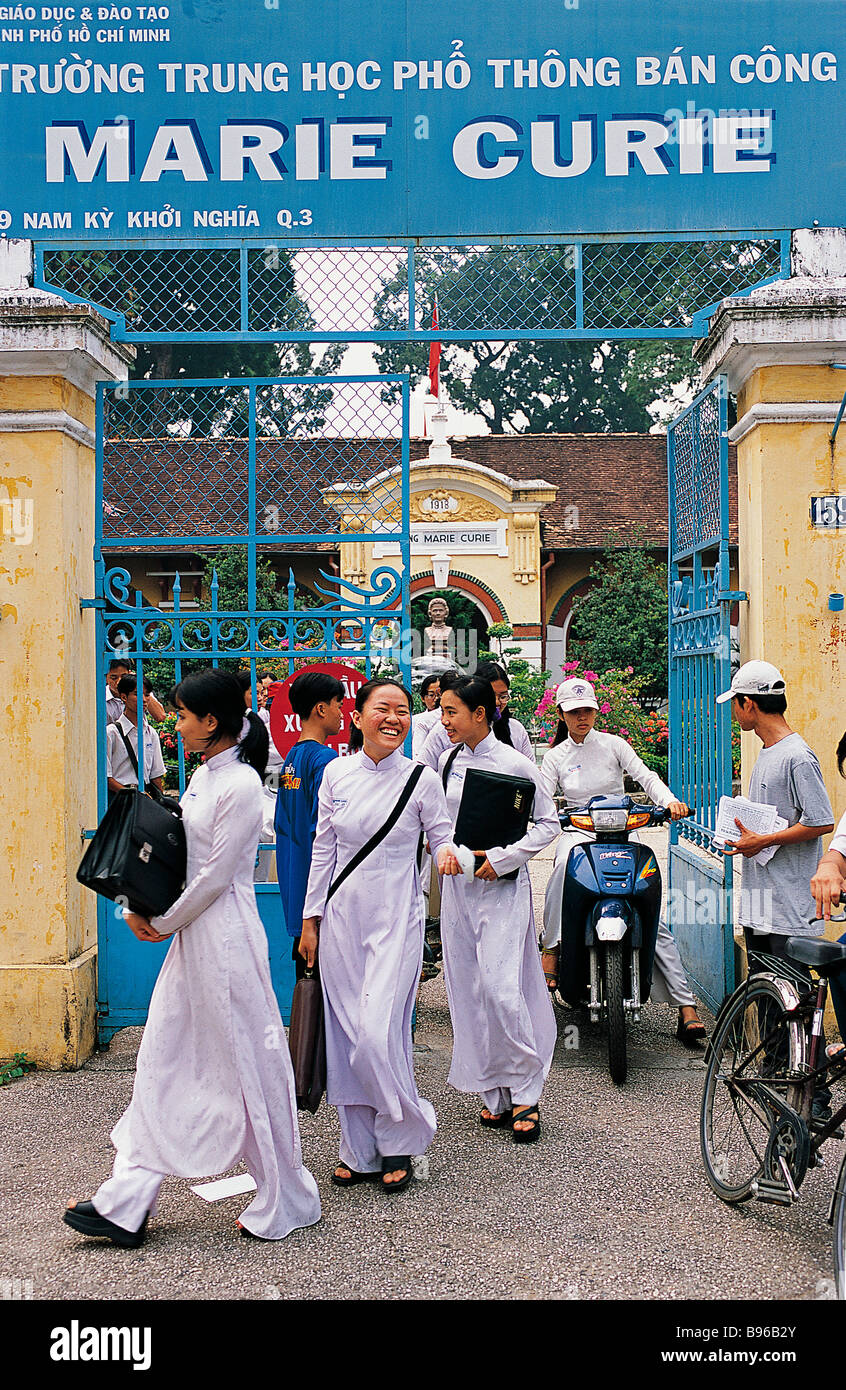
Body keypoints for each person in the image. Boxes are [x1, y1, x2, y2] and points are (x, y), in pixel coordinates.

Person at [64, 670, 321, 1246]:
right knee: (168, 1055)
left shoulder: (242, 785)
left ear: (212, 723)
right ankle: (125, 1202)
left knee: (247, 1068)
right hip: (195, 941)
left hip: (225, 941)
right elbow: (184, 860)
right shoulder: (207, 776)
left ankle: (287, 1196)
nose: (174, 725)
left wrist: (159, 921)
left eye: (182, 716)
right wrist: (138, 902)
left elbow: (215, 878)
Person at [300, 678, 455, 1192]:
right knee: (347, 1038)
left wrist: (451, 854)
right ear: (359, 717)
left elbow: (441, 838)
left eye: (404, 711)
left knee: (378, 1033)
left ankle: (401, 1136)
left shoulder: (421, 779)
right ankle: (358, 1148)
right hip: (342, 919)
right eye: (383, 709)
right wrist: (310, 919)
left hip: (397, 920)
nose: (394, 718)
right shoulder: (336, 775)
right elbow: (324, 850)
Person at [539, 677, 705, 1045]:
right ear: (562, 715)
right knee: (561, 869)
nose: (583, 717)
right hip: (580, 835)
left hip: (622, 835)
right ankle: (552, 947)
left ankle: (685, 1006)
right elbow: (540, 795)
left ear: (596, 711)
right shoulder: (555, 757)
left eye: (588, 710)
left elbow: (647, 777)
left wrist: (670, 801)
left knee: (649, 911)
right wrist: (544, 815)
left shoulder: (615, 745)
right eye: (574, 712)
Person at [438, 675, 559, 1140]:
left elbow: (548, 823)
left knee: (501, 988)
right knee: (469, 989)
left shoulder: (516, 764)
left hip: (502, 891)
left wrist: (503, 858)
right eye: (443, 711)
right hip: (458, 891)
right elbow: (440, 824)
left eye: (452, 712)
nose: (444, 720)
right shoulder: (447, 761)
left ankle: (528, 1089)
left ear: (480, 714)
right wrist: (447, 851)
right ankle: (496, 1092)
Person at [718, 661, 835, 1111]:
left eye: (737, 706)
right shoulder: (767, 752)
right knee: (769, 997)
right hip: (763, 900)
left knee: (798, 1004)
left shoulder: (796, 755)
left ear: (750, 703)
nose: (735, 715)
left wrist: (763, 838)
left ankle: (815, 1096)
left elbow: (820, 819)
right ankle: (775, 1086)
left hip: (789, 903)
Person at [275, 670, 344, 973]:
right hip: (319, 891)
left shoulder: (292, 757)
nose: (342, 712)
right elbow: (326, 832)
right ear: (320, 709)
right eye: (338, 704)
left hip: (295, 881)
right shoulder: (326, 761)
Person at [418, 660, 533, 768]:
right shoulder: (444, 739)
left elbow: (531, 778)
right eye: (491, 696)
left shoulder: (516, 731)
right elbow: (422, 773)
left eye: (503, 696)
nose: (497, 702)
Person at [105, 674, 166, 799]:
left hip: (145, 798)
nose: (144, 699)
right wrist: (134, 796)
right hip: (120, 799)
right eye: (137, 694)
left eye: (147, 695)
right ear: (123, 697)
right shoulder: (111, 733)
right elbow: (106, 778)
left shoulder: (151, 733)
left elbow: (156, 776)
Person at [105, 660, 166, 725]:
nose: (119, 682)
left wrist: (140, 686)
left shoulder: (140, 689)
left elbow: (160, 716)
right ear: (106, 678)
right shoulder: (101, 697)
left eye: (123, 676)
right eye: (114, 678)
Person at [411, 673, 442, 759]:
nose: (436, 699)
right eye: (431, 695)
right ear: (422, 698)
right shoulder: (414, 721)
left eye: (439, 694)